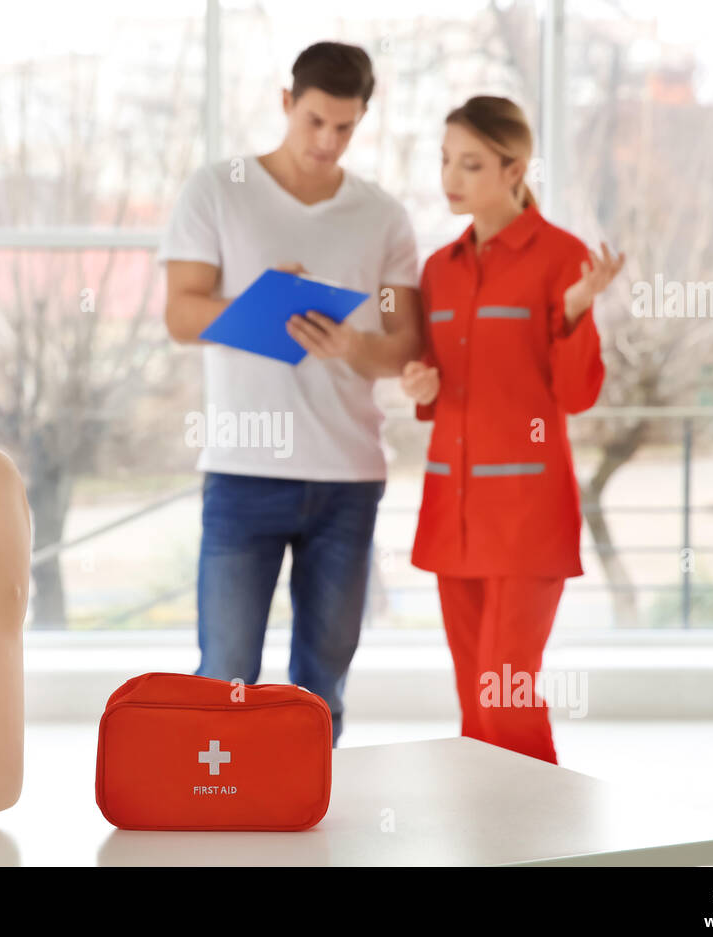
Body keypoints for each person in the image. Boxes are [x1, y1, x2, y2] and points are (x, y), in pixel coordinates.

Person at [159, 41, 423, 746]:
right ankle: (219, 818)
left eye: (345, 127)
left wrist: (353, 346)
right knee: (225, 674)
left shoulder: (384, 216)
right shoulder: (218, 189)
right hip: (244, 474)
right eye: (314, 121)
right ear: (286, 103)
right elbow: (180, 313)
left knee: (322, 683)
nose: (327, 142)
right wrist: (255, 304)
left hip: (348, 477)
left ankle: (308, 817)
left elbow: (402, 345)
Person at [401, 95, 624, 764]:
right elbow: (442, 382)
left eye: (471, 164)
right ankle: (489, 843)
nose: (452, 177)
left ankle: (542, 847)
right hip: (454, 509)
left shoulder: (562, 258)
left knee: (507, 691)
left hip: (526, 514)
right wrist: (423, 386)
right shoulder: (438, 270)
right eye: (446, 160)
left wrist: (577, 312)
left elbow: (577, 394)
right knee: (475, 699)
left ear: (515, 168)